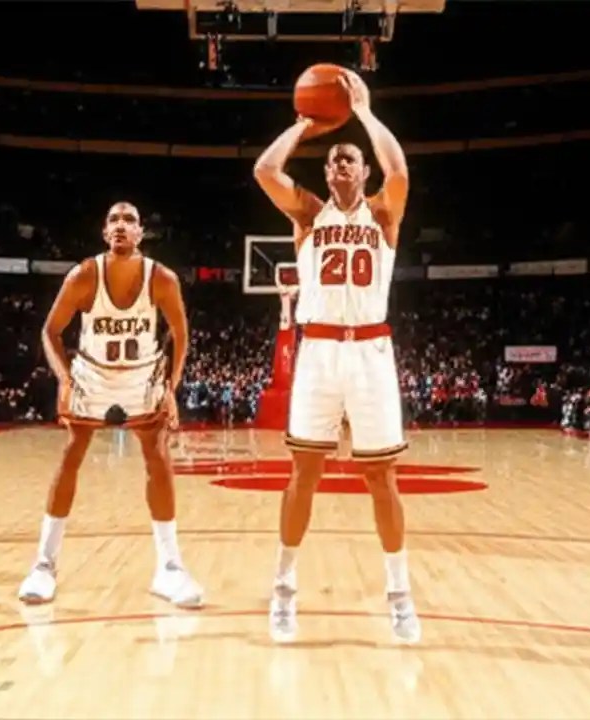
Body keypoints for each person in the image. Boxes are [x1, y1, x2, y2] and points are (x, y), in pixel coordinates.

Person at [253, 69, 418, 642]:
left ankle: (400, 594)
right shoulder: (307, 215)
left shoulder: (383, 214)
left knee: (382, 479)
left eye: (349, 160)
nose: (340, 166)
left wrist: (365, 114)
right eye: (333, 161)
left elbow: (399, 171)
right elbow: (264, 171)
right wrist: (303, 126)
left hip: (372, 349)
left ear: (363, 170)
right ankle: (283, 588)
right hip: (319, 350)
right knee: (304, 475)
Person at [17, 201, 201, 608]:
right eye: (114, 220)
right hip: (94, 373)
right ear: (105, 233)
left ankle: (170, 568)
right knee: (72, 455)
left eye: (130, 219)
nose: (121, 225)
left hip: (141, 373)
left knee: (158, 457)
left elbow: (181, 333)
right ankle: (44, 565)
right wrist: (64, 380)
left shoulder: (163, 279)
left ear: (141, 233)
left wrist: (171, 386)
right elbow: (51, 331)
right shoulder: (85, 275)